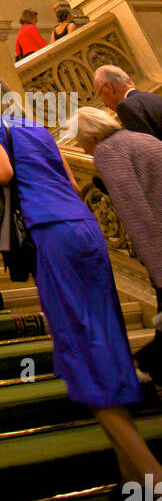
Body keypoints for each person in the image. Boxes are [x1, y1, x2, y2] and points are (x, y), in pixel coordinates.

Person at [0, 78, 162, 495]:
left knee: (78, 345)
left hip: (51, 232)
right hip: (85, 228)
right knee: (105, 333)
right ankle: (130, 476)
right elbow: (74, 184)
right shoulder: (39, 130)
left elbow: (1, 172)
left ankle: (152, 477)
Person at [74, 107, 162, 386]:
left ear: (90, 137)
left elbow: (134, 210)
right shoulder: (140, 139)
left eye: (81, 141)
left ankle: (147, 368)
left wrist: (156, 268)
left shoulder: (108, 152)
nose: (83, 148)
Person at [93, 65, 162, 140]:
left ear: (110, 87)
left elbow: (147, 147)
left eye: (100, 94)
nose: (105, 105)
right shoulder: (151, 96)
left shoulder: (125, 106)